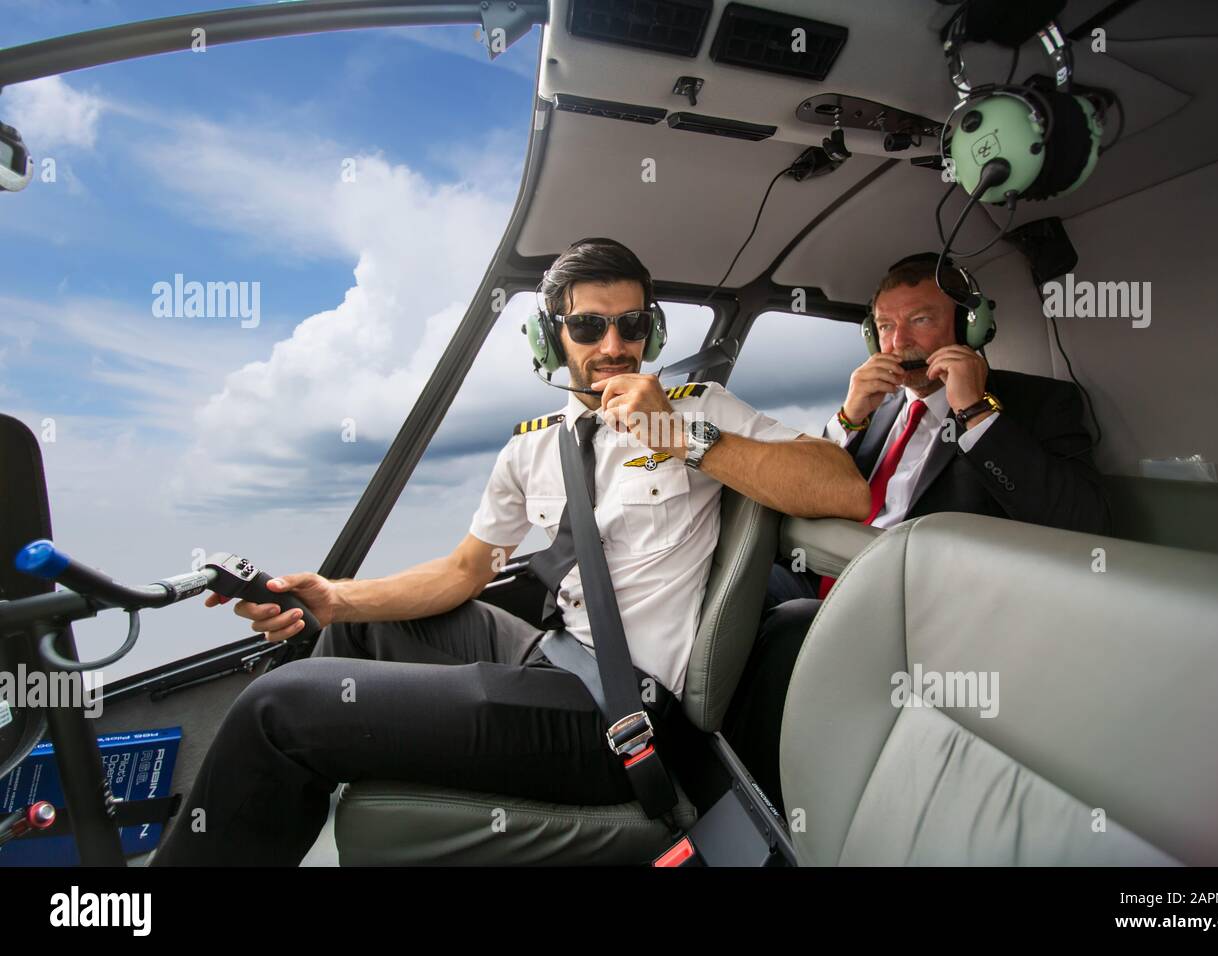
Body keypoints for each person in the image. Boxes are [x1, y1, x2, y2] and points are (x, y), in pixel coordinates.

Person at [152, 237, 870, 865]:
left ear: (649, 332)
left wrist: (686, 440)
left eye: (629, 325)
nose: (612, 346)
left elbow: (842, 489)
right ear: (550, 338)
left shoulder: (700, 407)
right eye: (588, 326)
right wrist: (335, 595)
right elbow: (467, 571)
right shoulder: (533, 445)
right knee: (352, 624)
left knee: (280, 705)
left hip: (621, 709)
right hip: (552, 655)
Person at [725, 252, 1110, 813]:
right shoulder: (875, 408)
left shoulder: (1036, 404)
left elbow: (1084, 524)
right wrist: (848, 419)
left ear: (971, 325)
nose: (897, 340)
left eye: (921, 320)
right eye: (884, 325)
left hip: (929, 606)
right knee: (734, 595)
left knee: (789, 631)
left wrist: (976, 412)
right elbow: (812, 486)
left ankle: (771, 811)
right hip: (828, 574)